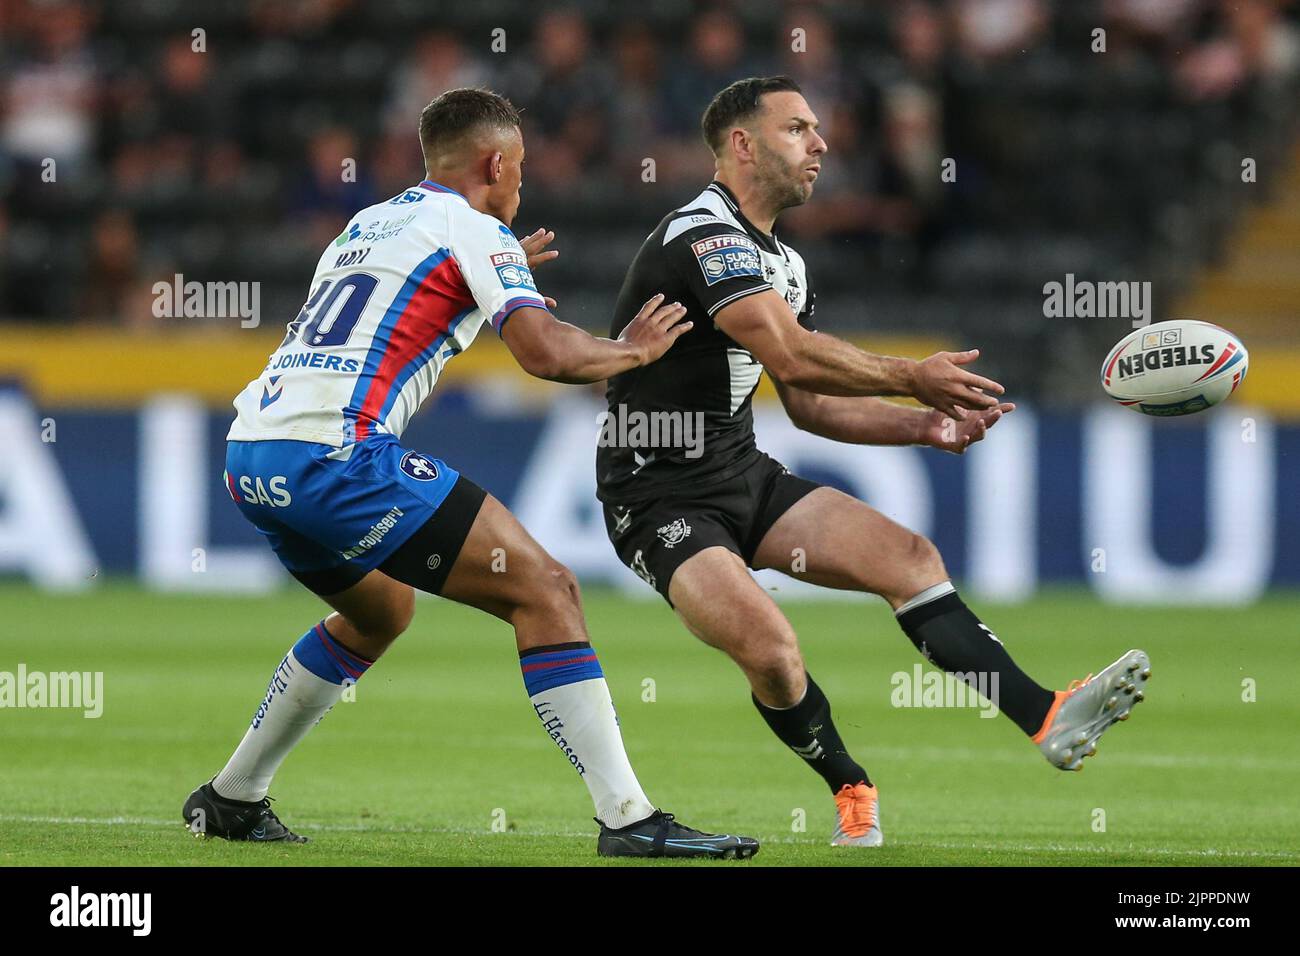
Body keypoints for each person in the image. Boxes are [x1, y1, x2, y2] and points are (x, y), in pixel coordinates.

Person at [183, 88, 759, 860]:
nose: (521, 186)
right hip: (337, 456)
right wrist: (635, 350)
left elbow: (389, 314)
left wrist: (500, 271)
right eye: (519, 169)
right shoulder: (475, 227)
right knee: (546, 590)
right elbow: (546, 353)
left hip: (253, 451)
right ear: (495, 162)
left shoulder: (368, 224)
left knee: (381, 612)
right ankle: (629, 819)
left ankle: (231, 799)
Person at [596, 76, 1150, 847]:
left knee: (910, 558)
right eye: (798, 129)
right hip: (656, 496)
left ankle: (1047, 716)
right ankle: (850, 783)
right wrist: (912, 372)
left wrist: (924, 427)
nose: (821, 143)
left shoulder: (784, 262)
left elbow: (808, 400)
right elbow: (790, 350)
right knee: (773, 653)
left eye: (819, 129)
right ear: (742, 145)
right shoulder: (703, 233)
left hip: (738, 471)